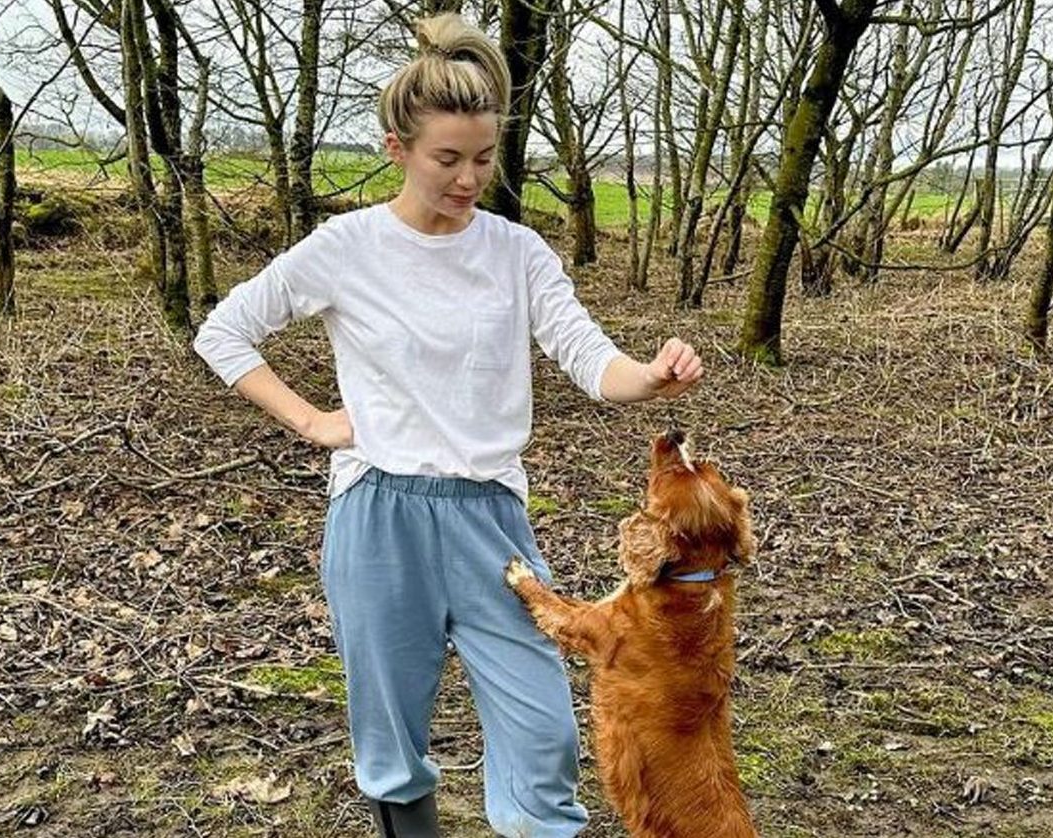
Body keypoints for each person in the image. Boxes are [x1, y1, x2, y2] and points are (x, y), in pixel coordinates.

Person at [192, 13, 702, 838]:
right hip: (379, 515)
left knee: (544, 732)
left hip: (491, 521)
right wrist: (312, 420)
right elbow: (222, 331)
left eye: (484, 158)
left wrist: (648, 376)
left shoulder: (517, 252)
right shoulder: (345, 247)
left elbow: (586, 356)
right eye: (448, 159)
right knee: (389, 732)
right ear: (398, 148)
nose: (469, 179)